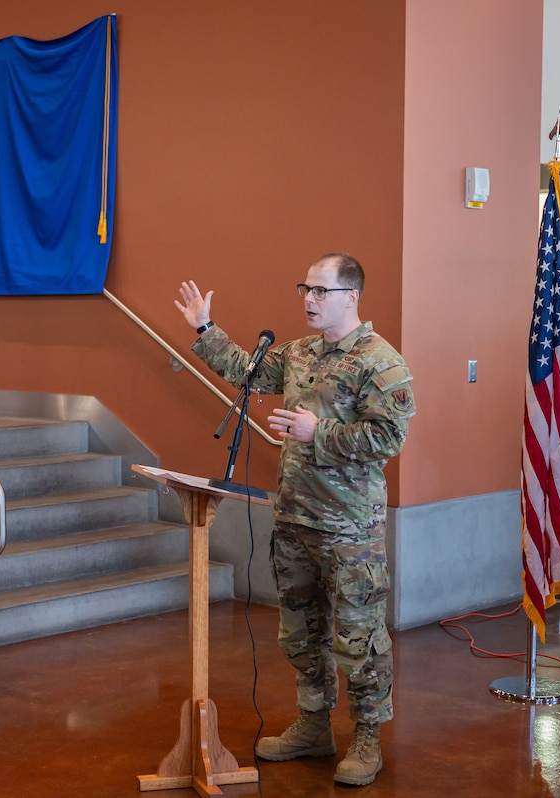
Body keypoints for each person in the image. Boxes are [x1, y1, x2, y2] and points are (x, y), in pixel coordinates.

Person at [174, 252, 415, 787]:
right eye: (305, 288)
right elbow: (248, 371)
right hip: (295, 521)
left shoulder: (381, 361)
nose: (309, 299)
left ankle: (367, 739)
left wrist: (317, 432)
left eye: (321, 291)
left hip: (350, 531)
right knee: (301, 634)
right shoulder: (301, 351)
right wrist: (205, 328)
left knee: (359, 638)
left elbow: (390, 438)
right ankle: (313, 726)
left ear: (351, 296)